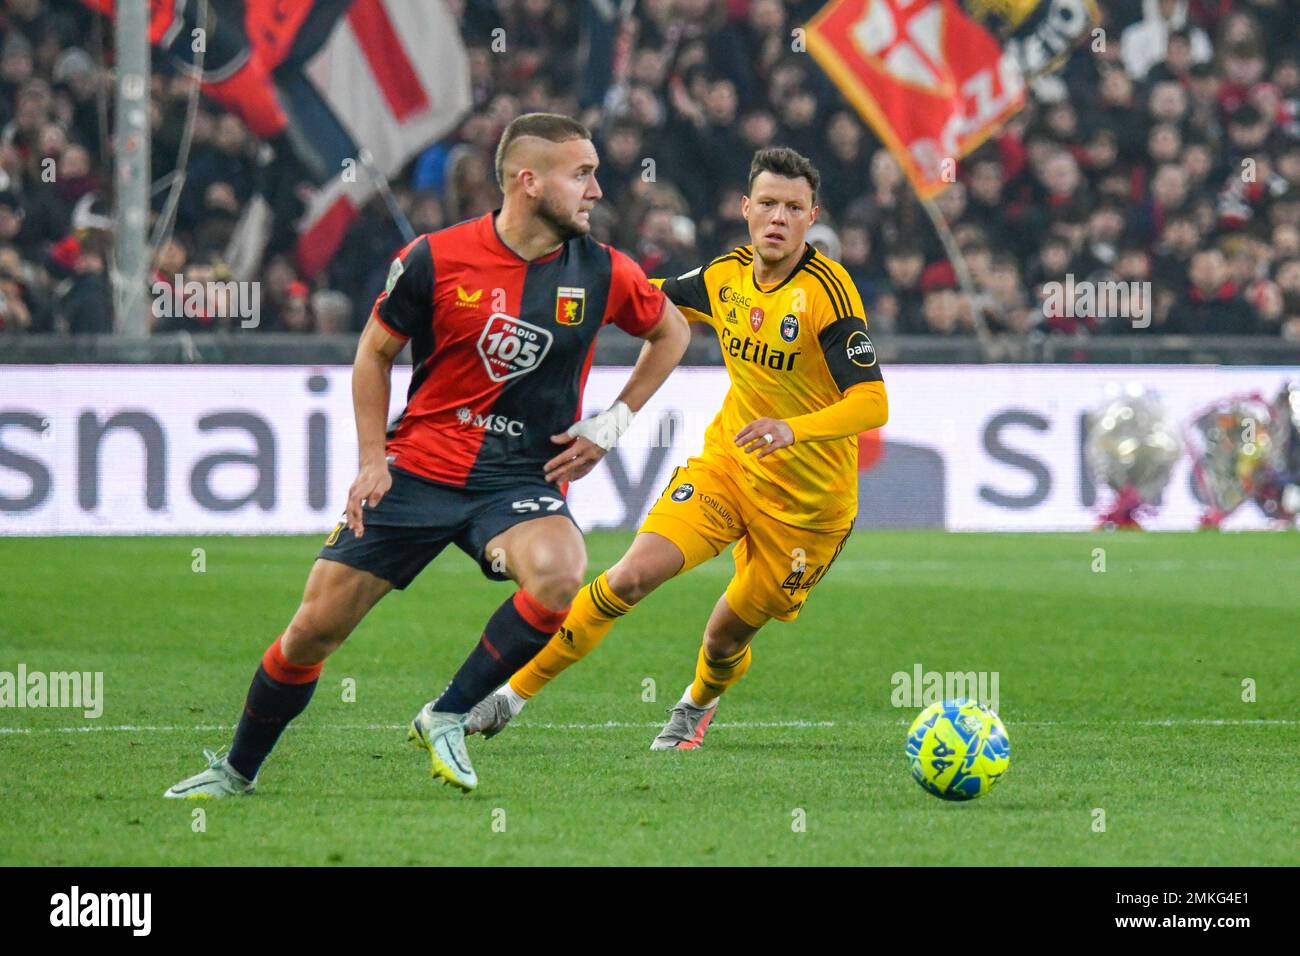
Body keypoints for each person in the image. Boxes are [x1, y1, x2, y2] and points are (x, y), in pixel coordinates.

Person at [164, 113, 691, 797]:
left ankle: (447, 713)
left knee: (561, 572)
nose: (596, 189)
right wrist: (371, 459)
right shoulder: (435, 258)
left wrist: (613, 423)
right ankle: (235, 772)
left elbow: (672, 331)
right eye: (581, 173)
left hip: (515, 480)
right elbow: (374, 352)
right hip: (416, 470)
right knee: (311, 633)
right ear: (527, 182)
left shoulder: (603, 270)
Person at [465, 146, 888, 750]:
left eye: (793, 208)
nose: (778, 217)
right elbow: (642, 298)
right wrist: (553, 286)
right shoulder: (724, 278)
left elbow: (873, 403)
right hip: (729, 469)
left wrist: (792, 428)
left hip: (809, 511)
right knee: (629, 578)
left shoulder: (828, 293)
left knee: (723, 640)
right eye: (767, 203)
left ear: (811, 216)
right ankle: (509, 696)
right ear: (745, 209)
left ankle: (697, 703)